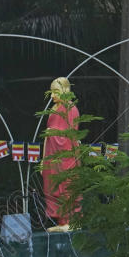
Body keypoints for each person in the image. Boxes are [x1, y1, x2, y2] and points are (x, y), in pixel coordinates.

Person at [42, 77, 80, 231]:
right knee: (51, 186)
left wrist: (53, 133)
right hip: (52, 157)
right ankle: (61, 222)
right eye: (51, 92)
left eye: (55, 92)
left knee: (64, 186)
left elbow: (71, 135)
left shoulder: (71, 108)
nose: (52, 96)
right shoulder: (55, 108)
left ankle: (69, 220)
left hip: (64, 157)